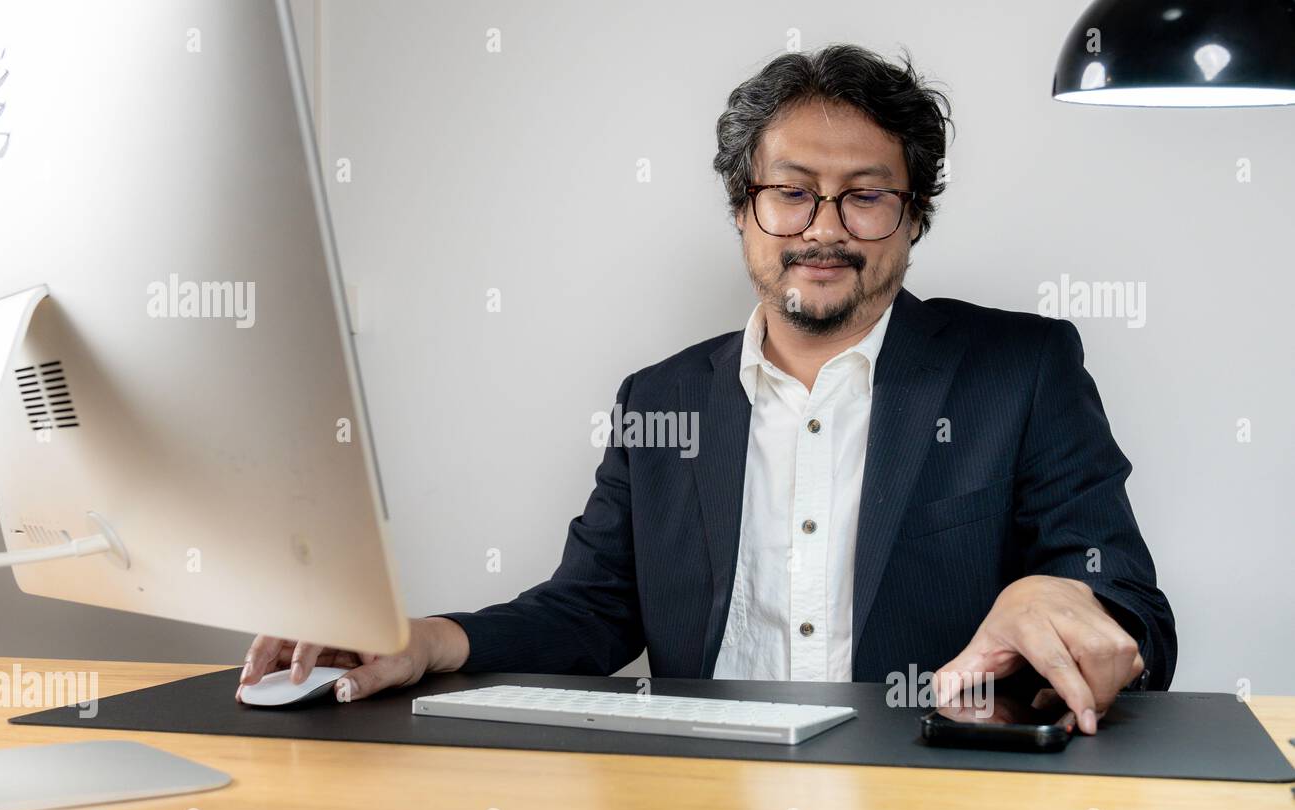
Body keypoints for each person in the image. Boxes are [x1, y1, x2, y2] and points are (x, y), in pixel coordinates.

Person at [239, 44, 1175, 734]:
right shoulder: (659, 399)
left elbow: (1135, 608)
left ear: (913, 218)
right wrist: (423, 638)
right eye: (791, 191)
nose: (825, 228)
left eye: (867, 195)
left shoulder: (1022, 368)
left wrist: (1062, 599)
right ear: (743, 210)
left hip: (930, 793)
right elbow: (592, 611)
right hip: (696, 798)